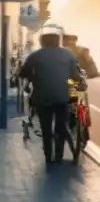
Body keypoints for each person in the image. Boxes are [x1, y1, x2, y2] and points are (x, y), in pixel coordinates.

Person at [18, 23, 85, 165]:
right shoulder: (68, 54)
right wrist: (80, 82)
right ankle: (61, 154)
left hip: (42, 98)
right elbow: (74, 75)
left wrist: (33, 76)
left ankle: (48, 157)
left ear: (42, 42)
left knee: (46, 128)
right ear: (58, 41)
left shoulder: (35, 56)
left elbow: (23, 72)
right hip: (62, 97)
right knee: (62, 125)